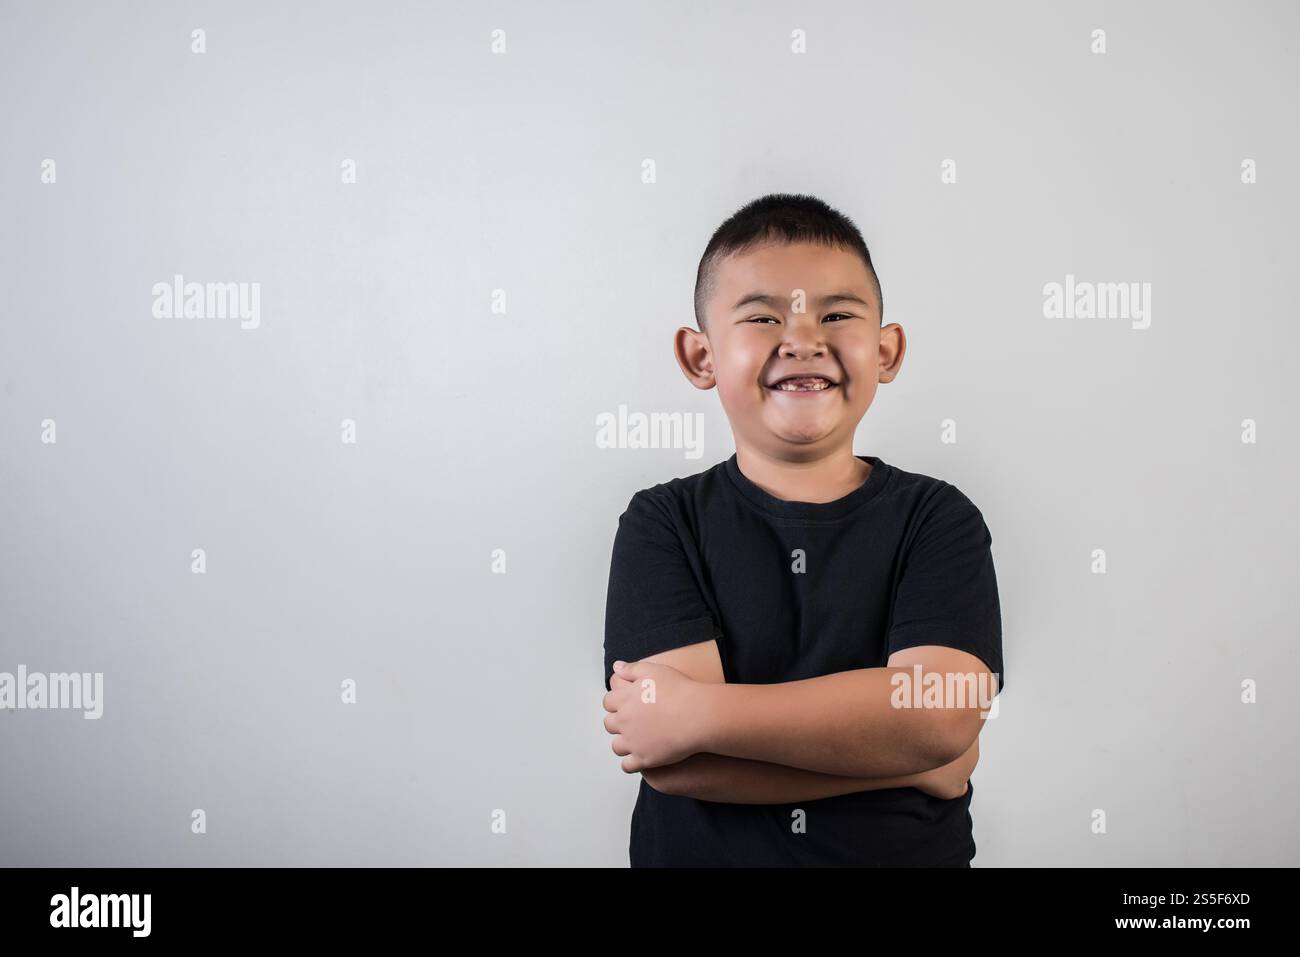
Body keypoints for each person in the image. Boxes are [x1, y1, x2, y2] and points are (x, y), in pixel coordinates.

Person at [601, 193, 1005, 866]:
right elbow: (677, 767)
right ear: (700, 356)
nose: (803, 338)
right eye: (762, 316)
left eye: (837, 313)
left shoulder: (939, 519)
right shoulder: (662, 523)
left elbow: (939, 713)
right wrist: (915, 759)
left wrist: (699, 713)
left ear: (886, 349)